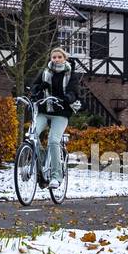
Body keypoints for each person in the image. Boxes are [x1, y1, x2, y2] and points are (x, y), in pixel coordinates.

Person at [27, 47, 82, 189]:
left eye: (59, 57)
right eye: (54, 57)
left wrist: (67, 97)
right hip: (44, 111)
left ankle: (56, 176)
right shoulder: (45, 72)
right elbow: (35, 86)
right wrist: (36, 90)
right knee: (32, 135)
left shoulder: (71, 74)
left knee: (53, 141)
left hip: (61, 113)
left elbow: (74, 92)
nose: (56, 59)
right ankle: (43, 162)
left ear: (65, 58)